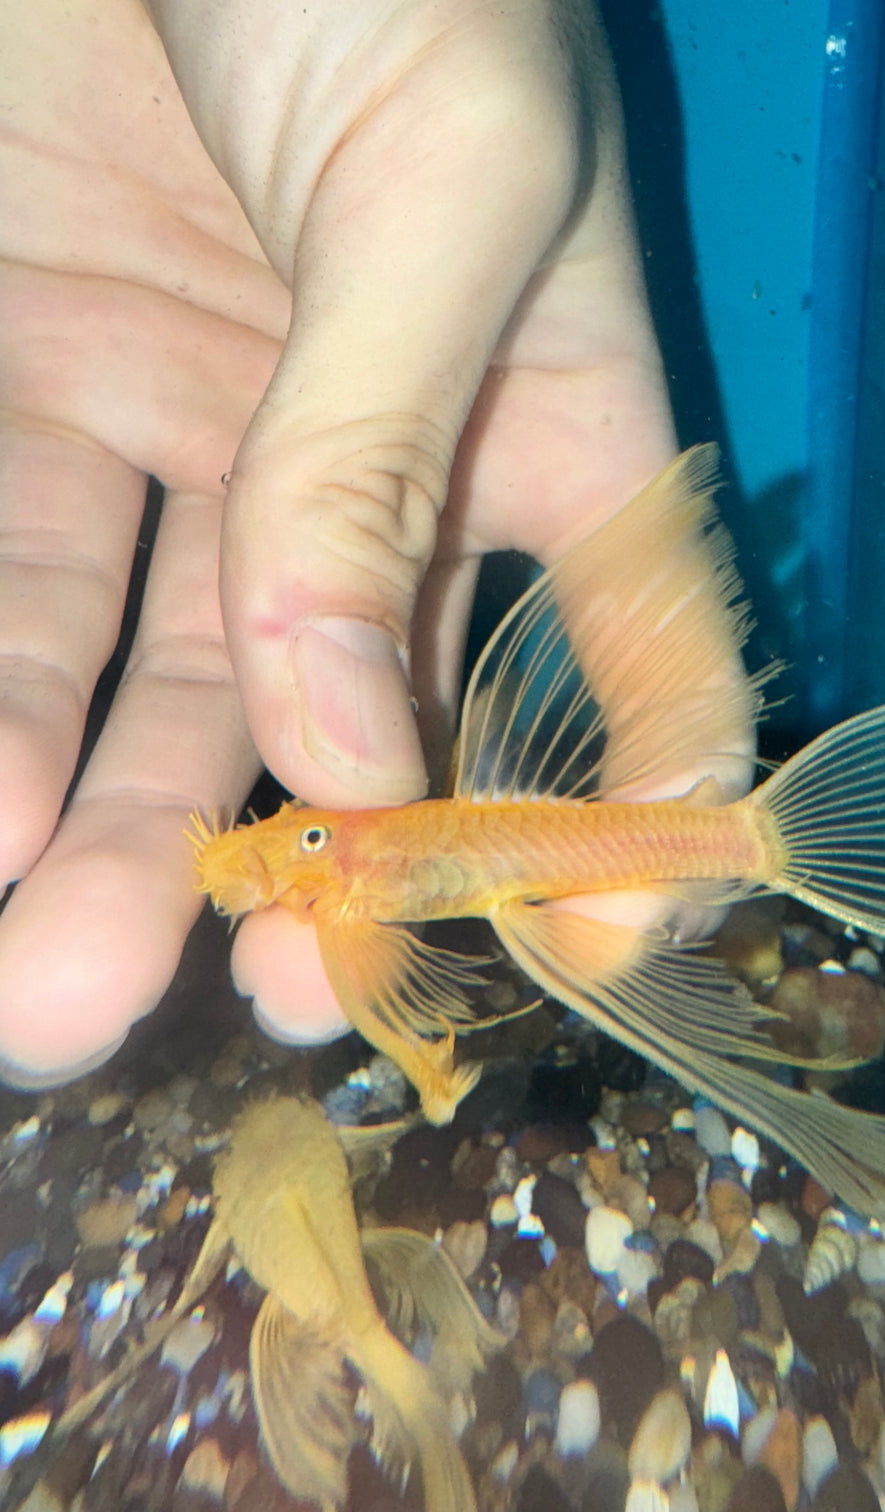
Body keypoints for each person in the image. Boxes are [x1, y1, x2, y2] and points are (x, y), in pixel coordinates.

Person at [0, 0, 747, 1086]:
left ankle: (742, 845)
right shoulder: (341, 884)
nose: (298, 842)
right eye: (301, 841)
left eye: (304, 839)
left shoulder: (344, 871)